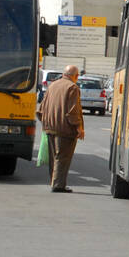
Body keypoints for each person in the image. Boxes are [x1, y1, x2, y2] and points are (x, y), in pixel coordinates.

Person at [38, 64, 84, 192]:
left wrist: (46, 122)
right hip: (65, 129)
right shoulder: (72, 87)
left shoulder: (52, 85)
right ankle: (58, 185)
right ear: (76, 76)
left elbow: (40, 109)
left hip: (49, 127)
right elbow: (73, 111)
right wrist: (78, 128)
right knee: (62, 157)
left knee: (54, 157)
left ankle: (54, 182)